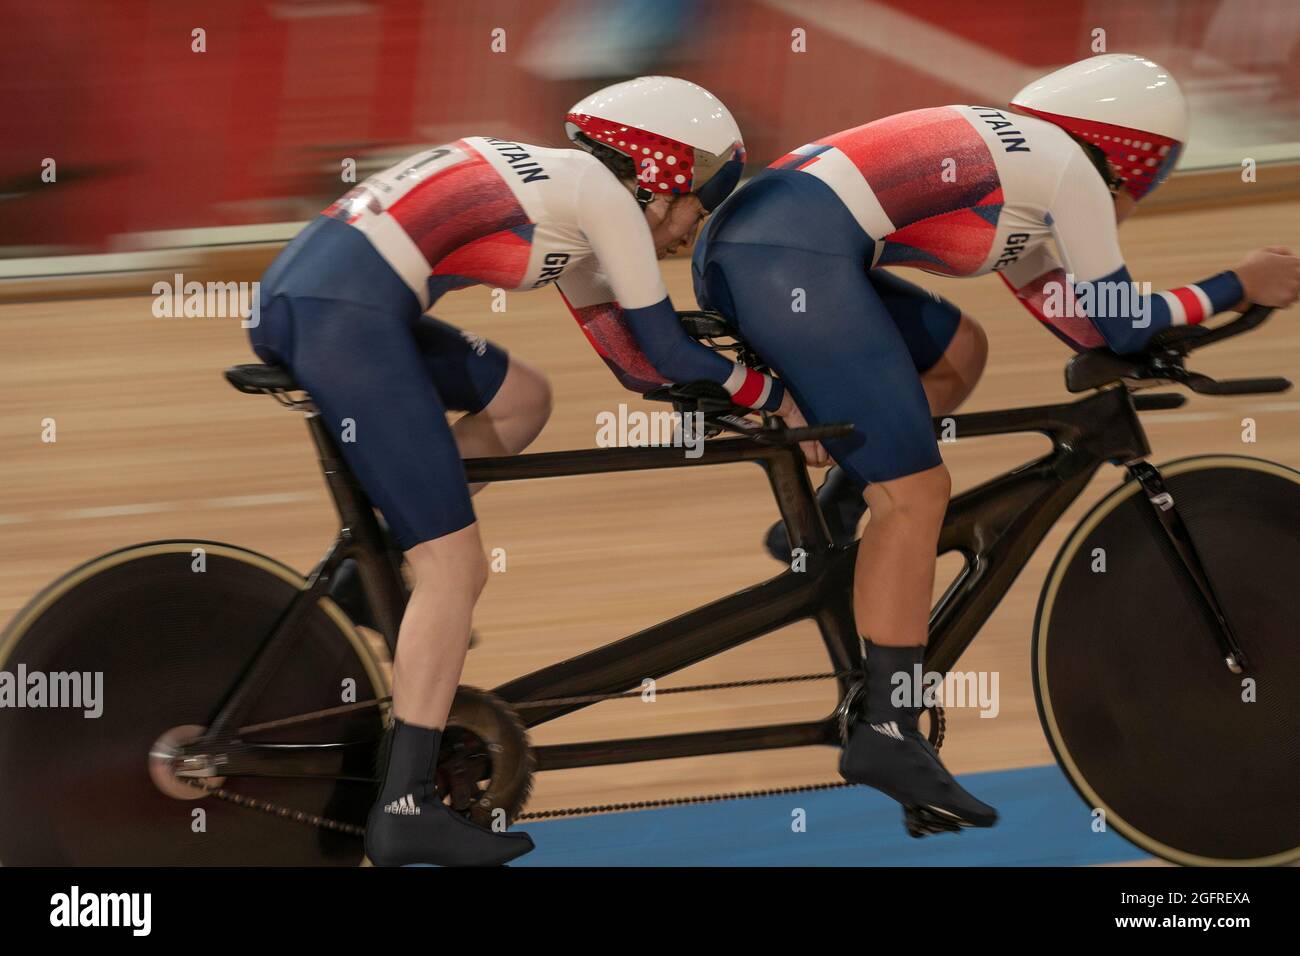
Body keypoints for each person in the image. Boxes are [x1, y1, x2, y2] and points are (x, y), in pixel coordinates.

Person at [692, 53, 1300, 831]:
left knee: (958, 352)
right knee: (917, 494)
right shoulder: (1067, 170)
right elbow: (1117, 319)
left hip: (767, 248)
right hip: (786, 259)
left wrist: (1158, 333)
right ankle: (887, 729)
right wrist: (1235, 285)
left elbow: (1074, 317)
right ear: (1126, 158)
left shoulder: (1020, 170)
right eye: (1144, 186)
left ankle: (837, 515)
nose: (1134, 204)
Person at [249, 76, 775, 866]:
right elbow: (663, 349)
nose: (693, 227)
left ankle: (379, 558)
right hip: (345, 318)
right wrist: (772, 395)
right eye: (699, 202)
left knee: (522, 398)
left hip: (322, 300)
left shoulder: (566, 189)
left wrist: (719, 400)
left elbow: (634, 362)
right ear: (660, 173)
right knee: (455, 569)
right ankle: (404, 806)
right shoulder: (599, 194)